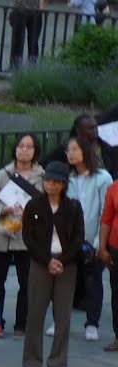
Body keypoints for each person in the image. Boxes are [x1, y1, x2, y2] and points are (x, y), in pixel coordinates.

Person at [22, 159, 84, 367]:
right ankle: (32, 359)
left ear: (64, 184)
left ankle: (56, 360)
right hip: (41, 262)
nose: (51, 185)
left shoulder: (73, 207)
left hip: (66, 264)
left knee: (63, 314)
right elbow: (29, 238)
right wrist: (47, 260)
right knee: (35, 313)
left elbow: (78, 238)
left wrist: (62, 261)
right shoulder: (34, 205)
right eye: (48, 180)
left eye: (56, 182)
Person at [0, 133, 42, 337]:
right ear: (14, 149)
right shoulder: (2, 175)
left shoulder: (42, 177)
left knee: (26, 282)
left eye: (29, 146)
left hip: (27, 237)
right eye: (21, 146)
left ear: (35, 151)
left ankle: (22, 324)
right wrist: (5, 209)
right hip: (1, 234)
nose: (24, 150)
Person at [65, 136, 114, 342]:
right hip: (70, 240)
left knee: (93, 282)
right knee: (65, 282)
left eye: (75, 149)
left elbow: (106, 211)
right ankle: (61, 320)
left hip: (93, 238)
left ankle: (92, 323)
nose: (71, 153)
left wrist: (98, 243)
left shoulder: (102, 178)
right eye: (68, 150)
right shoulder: (68, 179)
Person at [102, 160, 118, 351]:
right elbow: (106, 219)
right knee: (117, 292)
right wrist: (103, 248)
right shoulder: (114, 188)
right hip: (116, 247)